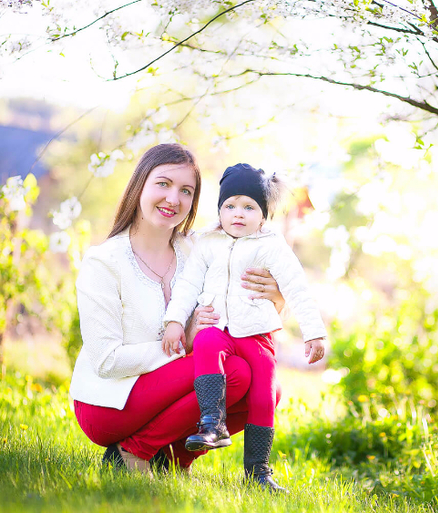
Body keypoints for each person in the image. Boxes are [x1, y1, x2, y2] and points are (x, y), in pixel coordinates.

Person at [69, 144, 285, 473]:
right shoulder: (104, 262)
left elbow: (249, 313)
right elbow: (106, 361)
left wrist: (276, 298)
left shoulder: (200, 249)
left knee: (266, 386)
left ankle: (171, 460)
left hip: (171, 390)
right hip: (108, 402)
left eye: (186, 190)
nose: (173, 199)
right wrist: (184, 343)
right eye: (163, 184)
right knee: (234, 373)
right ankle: (131, 452)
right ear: (140, 184)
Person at [161, 163, 327, 491]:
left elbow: (296, 287)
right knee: (206, 342)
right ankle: (212, 423)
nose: (238, 213)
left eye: (249, 207)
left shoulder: (271, 245)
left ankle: (258, 472)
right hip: (218, 327)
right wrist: (175, 321)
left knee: (264, 397)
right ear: (220, 211)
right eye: (230, 206)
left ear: (263, 216)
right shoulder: (208, 242)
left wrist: (314, 332)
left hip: (257, 334)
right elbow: (188, 285)